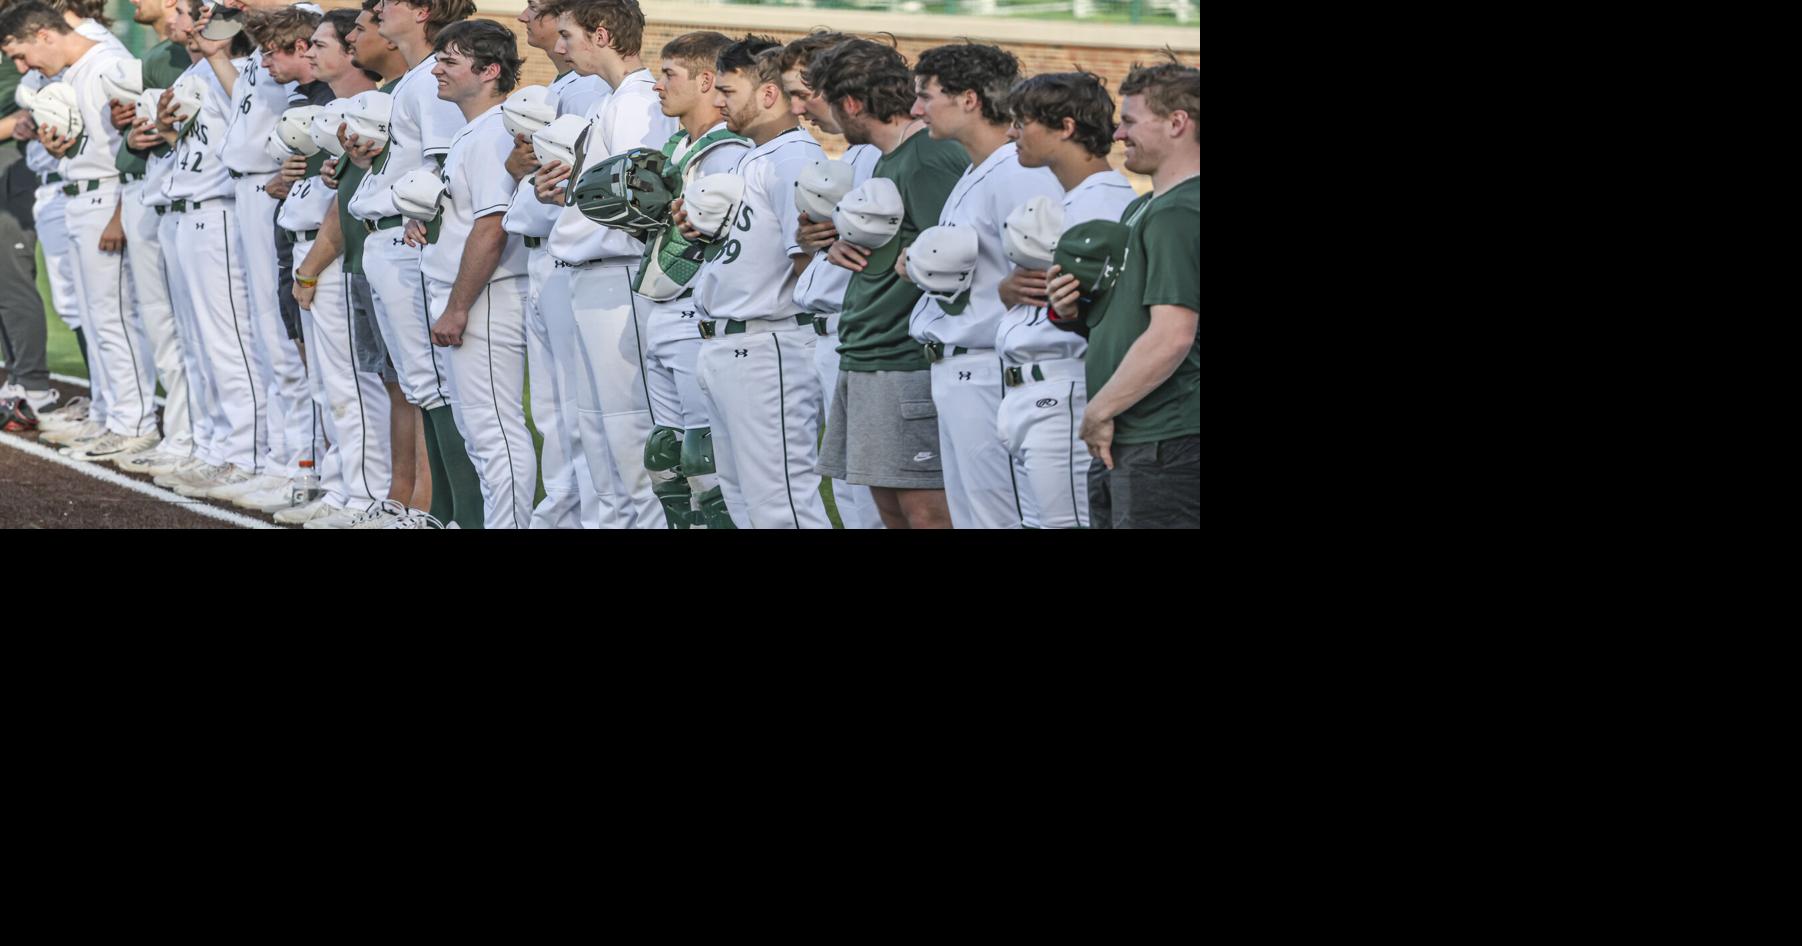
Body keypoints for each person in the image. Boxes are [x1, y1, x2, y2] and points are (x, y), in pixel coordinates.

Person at [807, 37, 966, 529]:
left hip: (902, 358)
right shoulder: (890, 158)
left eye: (830, 103)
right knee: (889, 509)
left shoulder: (928, 158)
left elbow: (957, 257)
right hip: (868, 357)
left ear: (852, 104)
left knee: (925, 512)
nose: (823, 116)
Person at [339, 0, 482, 528]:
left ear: (422, 11)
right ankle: (437, 511)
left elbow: (445, 165)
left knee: (434, 385)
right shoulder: (415, 80)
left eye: (389, 3)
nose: (377, 10)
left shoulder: (429, 80)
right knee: (423, 385)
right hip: (387, 240)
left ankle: (448, 513)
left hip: (408, 240)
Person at [533, 0, 676, 527]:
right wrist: (564, 191)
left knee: (628, 432)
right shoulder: (612, 100)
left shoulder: (637, 102)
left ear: (601, 33)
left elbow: (644, 197)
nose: (560, 45)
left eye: (568, 34)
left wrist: (578, 196)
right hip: (587, 276)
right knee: (596, 431)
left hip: (618, 278)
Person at [1047, 59, 1199, 529]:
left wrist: (1099, 410)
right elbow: (1129, 317)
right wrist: (1073, 310)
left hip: (1166, 437)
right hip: (1137, 435)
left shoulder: (1181, 212)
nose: (1117, 135)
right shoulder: (1145, 206)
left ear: (1177, 123)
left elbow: (1173, 335)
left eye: (1130, 121)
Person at [685, 35, 827, 528]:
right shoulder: (755, 153)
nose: (717, 100)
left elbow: (810, 266)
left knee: (782, 505)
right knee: (744, 503)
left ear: (768, 94)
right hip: (731, 343)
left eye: (727, 89)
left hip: (770, 346)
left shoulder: (793, 159)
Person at [0, 1, 151, 462]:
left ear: (44, 34)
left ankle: (135, 424)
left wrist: (120, 212)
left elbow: (137, 144)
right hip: (76, 191)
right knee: (95, 316)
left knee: (118, 320)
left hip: (108, 195)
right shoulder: (73, 70)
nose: (23, 67)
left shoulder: (104, 61)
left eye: (22, 55)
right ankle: (111, 415)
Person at [996, 70, 1135, 529]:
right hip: (1033, 391)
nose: (1013, 132)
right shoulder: (1070, 199)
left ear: (1066, 127)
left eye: (1023, 121)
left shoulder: (1104, 205)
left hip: (1067, 386)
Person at [410, 17, 533, 529]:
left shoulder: (491, 133)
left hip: (486, 297)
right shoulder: (474, 130)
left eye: (450, 61)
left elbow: (492, 227)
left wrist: (457, 308)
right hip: (473, 292)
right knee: (480, 432)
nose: (436, 69)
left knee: (494, 432)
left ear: (489, 71)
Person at [278, 5, 392, 524]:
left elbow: (345, 201)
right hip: (316, 250)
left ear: (351, 51)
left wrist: (311, 266)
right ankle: (344, 486)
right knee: (329, 383)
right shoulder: (329, 108)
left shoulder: (368, 109)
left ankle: (364, 493)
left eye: (320, 44)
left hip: (340, 256)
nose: (309, 52)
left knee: (351, 382)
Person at [499, 0, 610, 529]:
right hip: (547, 256)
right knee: (555, 409)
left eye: (537, 9)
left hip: (574, 256)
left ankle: (571, 516)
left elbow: (569, 185)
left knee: (576, 411)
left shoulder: (591, 88)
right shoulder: (564, 86)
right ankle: (562, 513)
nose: (524, 18)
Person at [637, 28, 744, 528]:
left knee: (705, 456)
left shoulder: (730, 150)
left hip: (695, 309)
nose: (659, 85)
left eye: (669, 74)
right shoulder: (677, 144)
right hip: (658, 306)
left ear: (706, 81)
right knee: (666, 452)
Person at [779, 30, 882, 529]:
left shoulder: (887, 151)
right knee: (848, 487)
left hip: (864, 335)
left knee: (879, 495)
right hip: (831, 332)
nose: (798, 107)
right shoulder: (857, 153)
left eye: (805, 92)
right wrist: (816, 238)